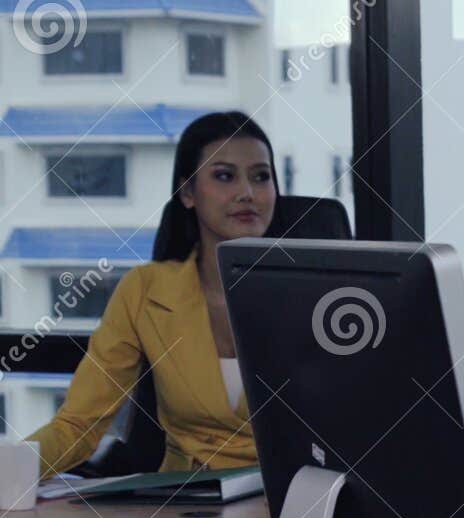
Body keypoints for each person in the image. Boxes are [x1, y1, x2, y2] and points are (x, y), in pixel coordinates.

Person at [28, 111, 279, 478]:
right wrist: (12, 469)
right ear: (188, 193)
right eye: (225, 176)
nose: (247, 193)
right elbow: (78, 425)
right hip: (189, 506)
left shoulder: (315, 292)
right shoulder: (145, 290)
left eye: (261, 177)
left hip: (296, 505)